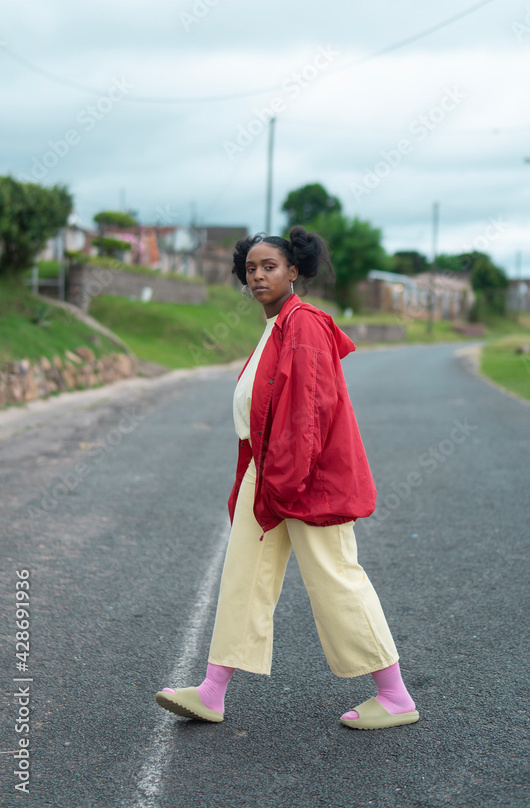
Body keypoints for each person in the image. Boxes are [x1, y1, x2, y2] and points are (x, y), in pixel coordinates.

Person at [155, 226, 419, 730]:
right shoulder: (276, 325)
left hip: (306, 480)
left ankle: (395, 696)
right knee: (243, 577)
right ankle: (212, 691)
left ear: (294, 271)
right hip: (270, 472)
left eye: (269, 266)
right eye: (250, 268)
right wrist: (263, 480)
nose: (257, 275)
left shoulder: (304, 325)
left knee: (334, 578)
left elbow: (308, 414)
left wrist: (283, 485)